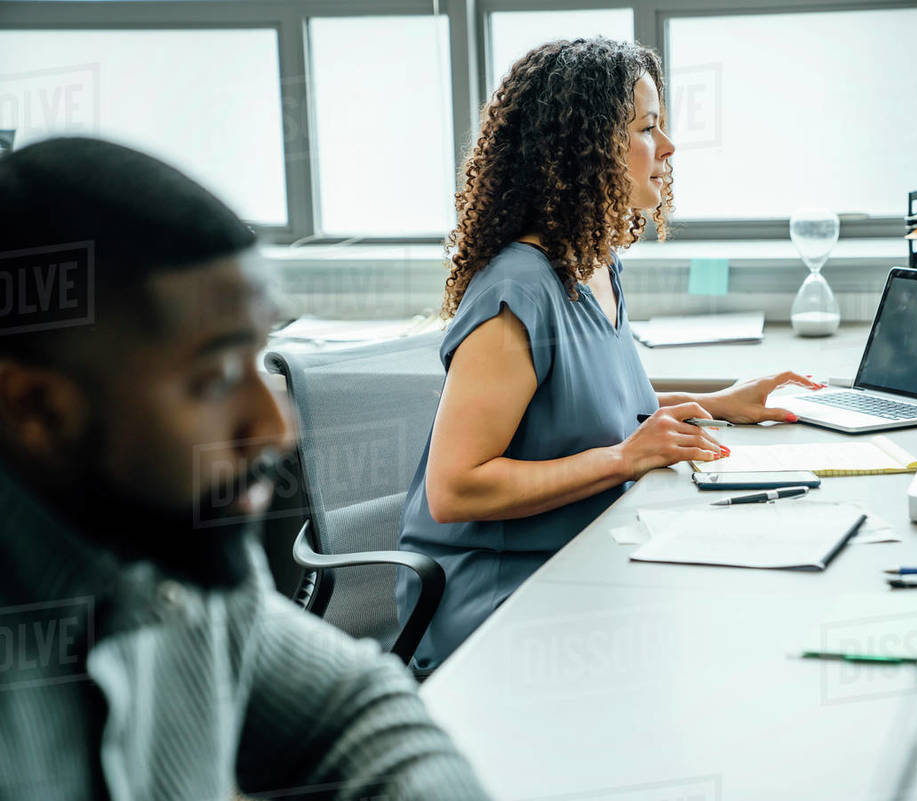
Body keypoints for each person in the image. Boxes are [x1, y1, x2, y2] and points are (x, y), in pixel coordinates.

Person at [0, 137, 490, 800]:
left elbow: (358, 708)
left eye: (261, 355)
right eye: (216, 377)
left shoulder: (188, 569)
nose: (276, 428)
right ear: (39, 410)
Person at [397, 37, 818, 672]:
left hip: (583, 556)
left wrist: (718, 404)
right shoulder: (520, 289)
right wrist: (624, 459)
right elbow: (454, 491)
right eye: (649, 129)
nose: (669, 149)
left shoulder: (597, 268)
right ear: (583, 150)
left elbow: (603, 414)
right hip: (498, 599)